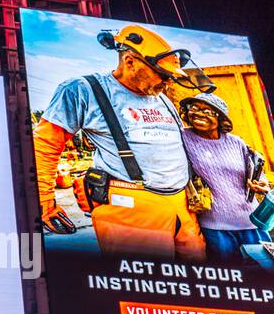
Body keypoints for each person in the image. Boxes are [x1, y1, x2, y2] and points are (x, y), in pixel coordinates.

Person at [33, 25, 205, 259]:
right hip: (132, 212)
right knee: (145, 290)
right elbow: (44, 146)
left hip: (182, 208)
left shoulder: (160, 97)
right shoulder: (83, 90)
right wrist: (43, 201)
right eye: (162, 75)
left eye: (170, 77)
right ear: (130, 61)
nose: (168, 83)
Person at [175, 91, 273, 261]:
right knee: (231, 275)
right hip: (215, 226)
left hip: (251, 221)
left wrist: (262, 184)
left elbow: (255, 170)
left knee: (266, 270)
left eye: (207, 111)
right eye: (194, 107)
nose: (198, 113)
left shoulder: (236, 142)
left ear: (220, 118)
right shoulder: (182, 138)